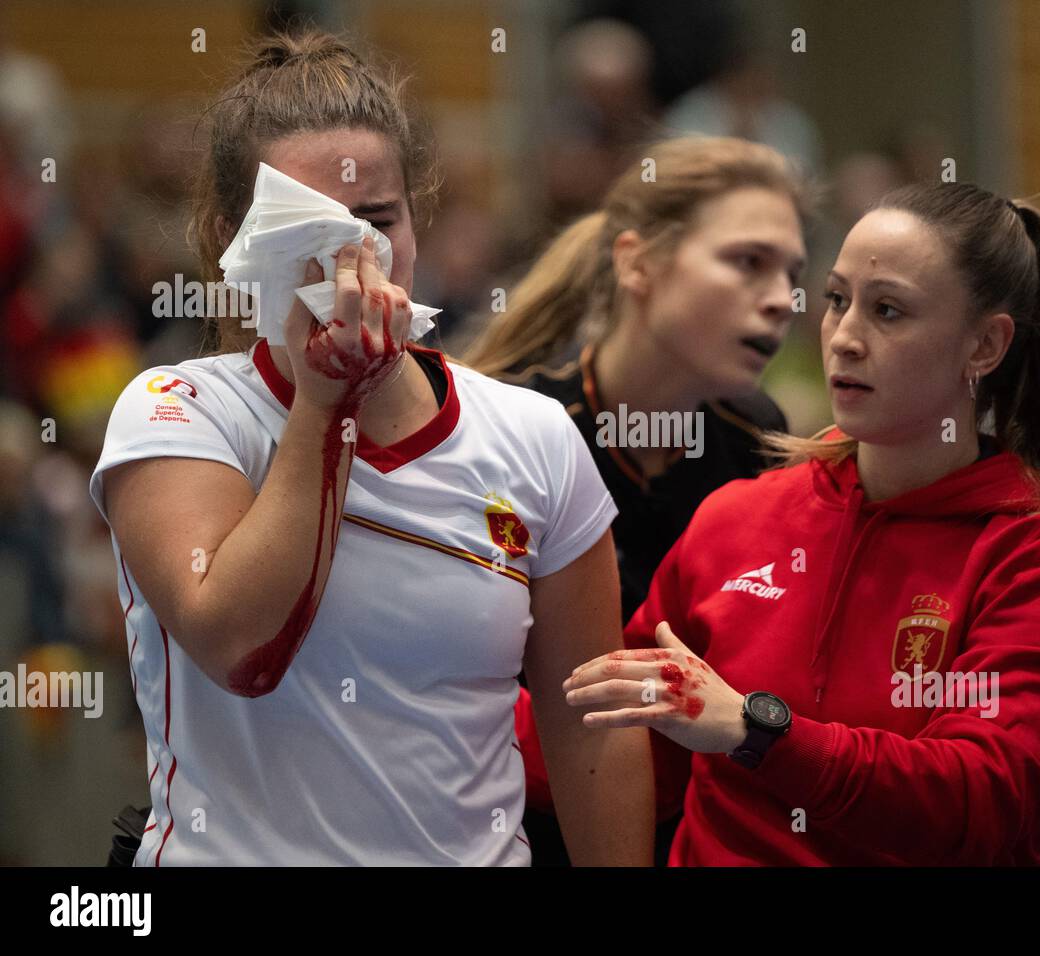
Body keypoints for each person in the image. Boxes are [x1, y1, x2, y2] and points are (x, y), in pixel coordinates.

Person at [88, 31, 652, 866]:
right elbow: (240, 649)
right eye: (305, 229)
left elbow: (587, 724)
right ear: (228, 240)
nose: (353, 261)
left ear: (415, 218)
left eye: (378, 222)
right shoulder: (179, 411)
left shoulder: (533, 435)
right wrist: (324, 404)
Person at [563, 182, 1040, 865]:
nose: (843, 337)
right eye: (837, 300)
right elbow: (609, 735)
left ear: (984, 345)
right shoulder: (738, 517)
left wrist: (756, 731)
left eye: (888, 311)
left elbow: (983, 802)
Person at [466, 135, 809, 863]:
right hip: (501, 823)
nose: (783, 298)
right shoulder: (512, 424)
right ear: (637, 262)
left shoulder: (758, 440)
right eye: (748, 261)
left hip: (684, 829)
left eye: (791, 273)